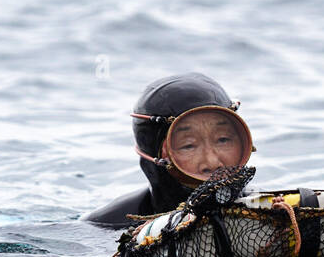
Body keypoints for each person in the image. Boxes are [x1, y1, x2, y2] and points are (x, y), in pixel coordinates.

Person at [85, 73, 255, 228]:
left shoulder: (265, 209)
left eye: (223, 140)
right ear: (156, 157)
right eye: (189, 145)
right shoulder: (105, 225)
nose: (211, 162)